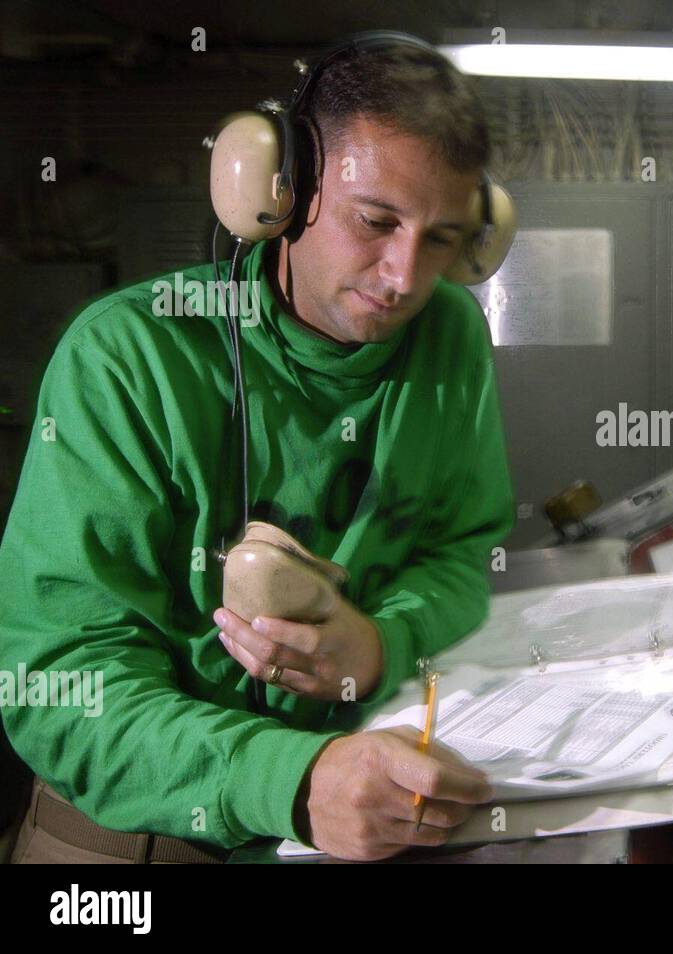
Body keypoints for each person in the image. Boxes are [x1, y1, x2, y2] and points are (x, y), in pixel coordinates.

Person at [0, 37, 512, 862]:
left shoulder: (451, 335)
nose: (404, 276)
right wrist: (295, 780)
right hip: (141, 836)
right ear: (280, 193)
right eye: (375, 221)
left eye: (443, 238)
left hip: (352, 818)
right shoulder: (128, 358)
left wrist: (380, 643)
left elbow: (464, 552)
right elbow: (61, 687)